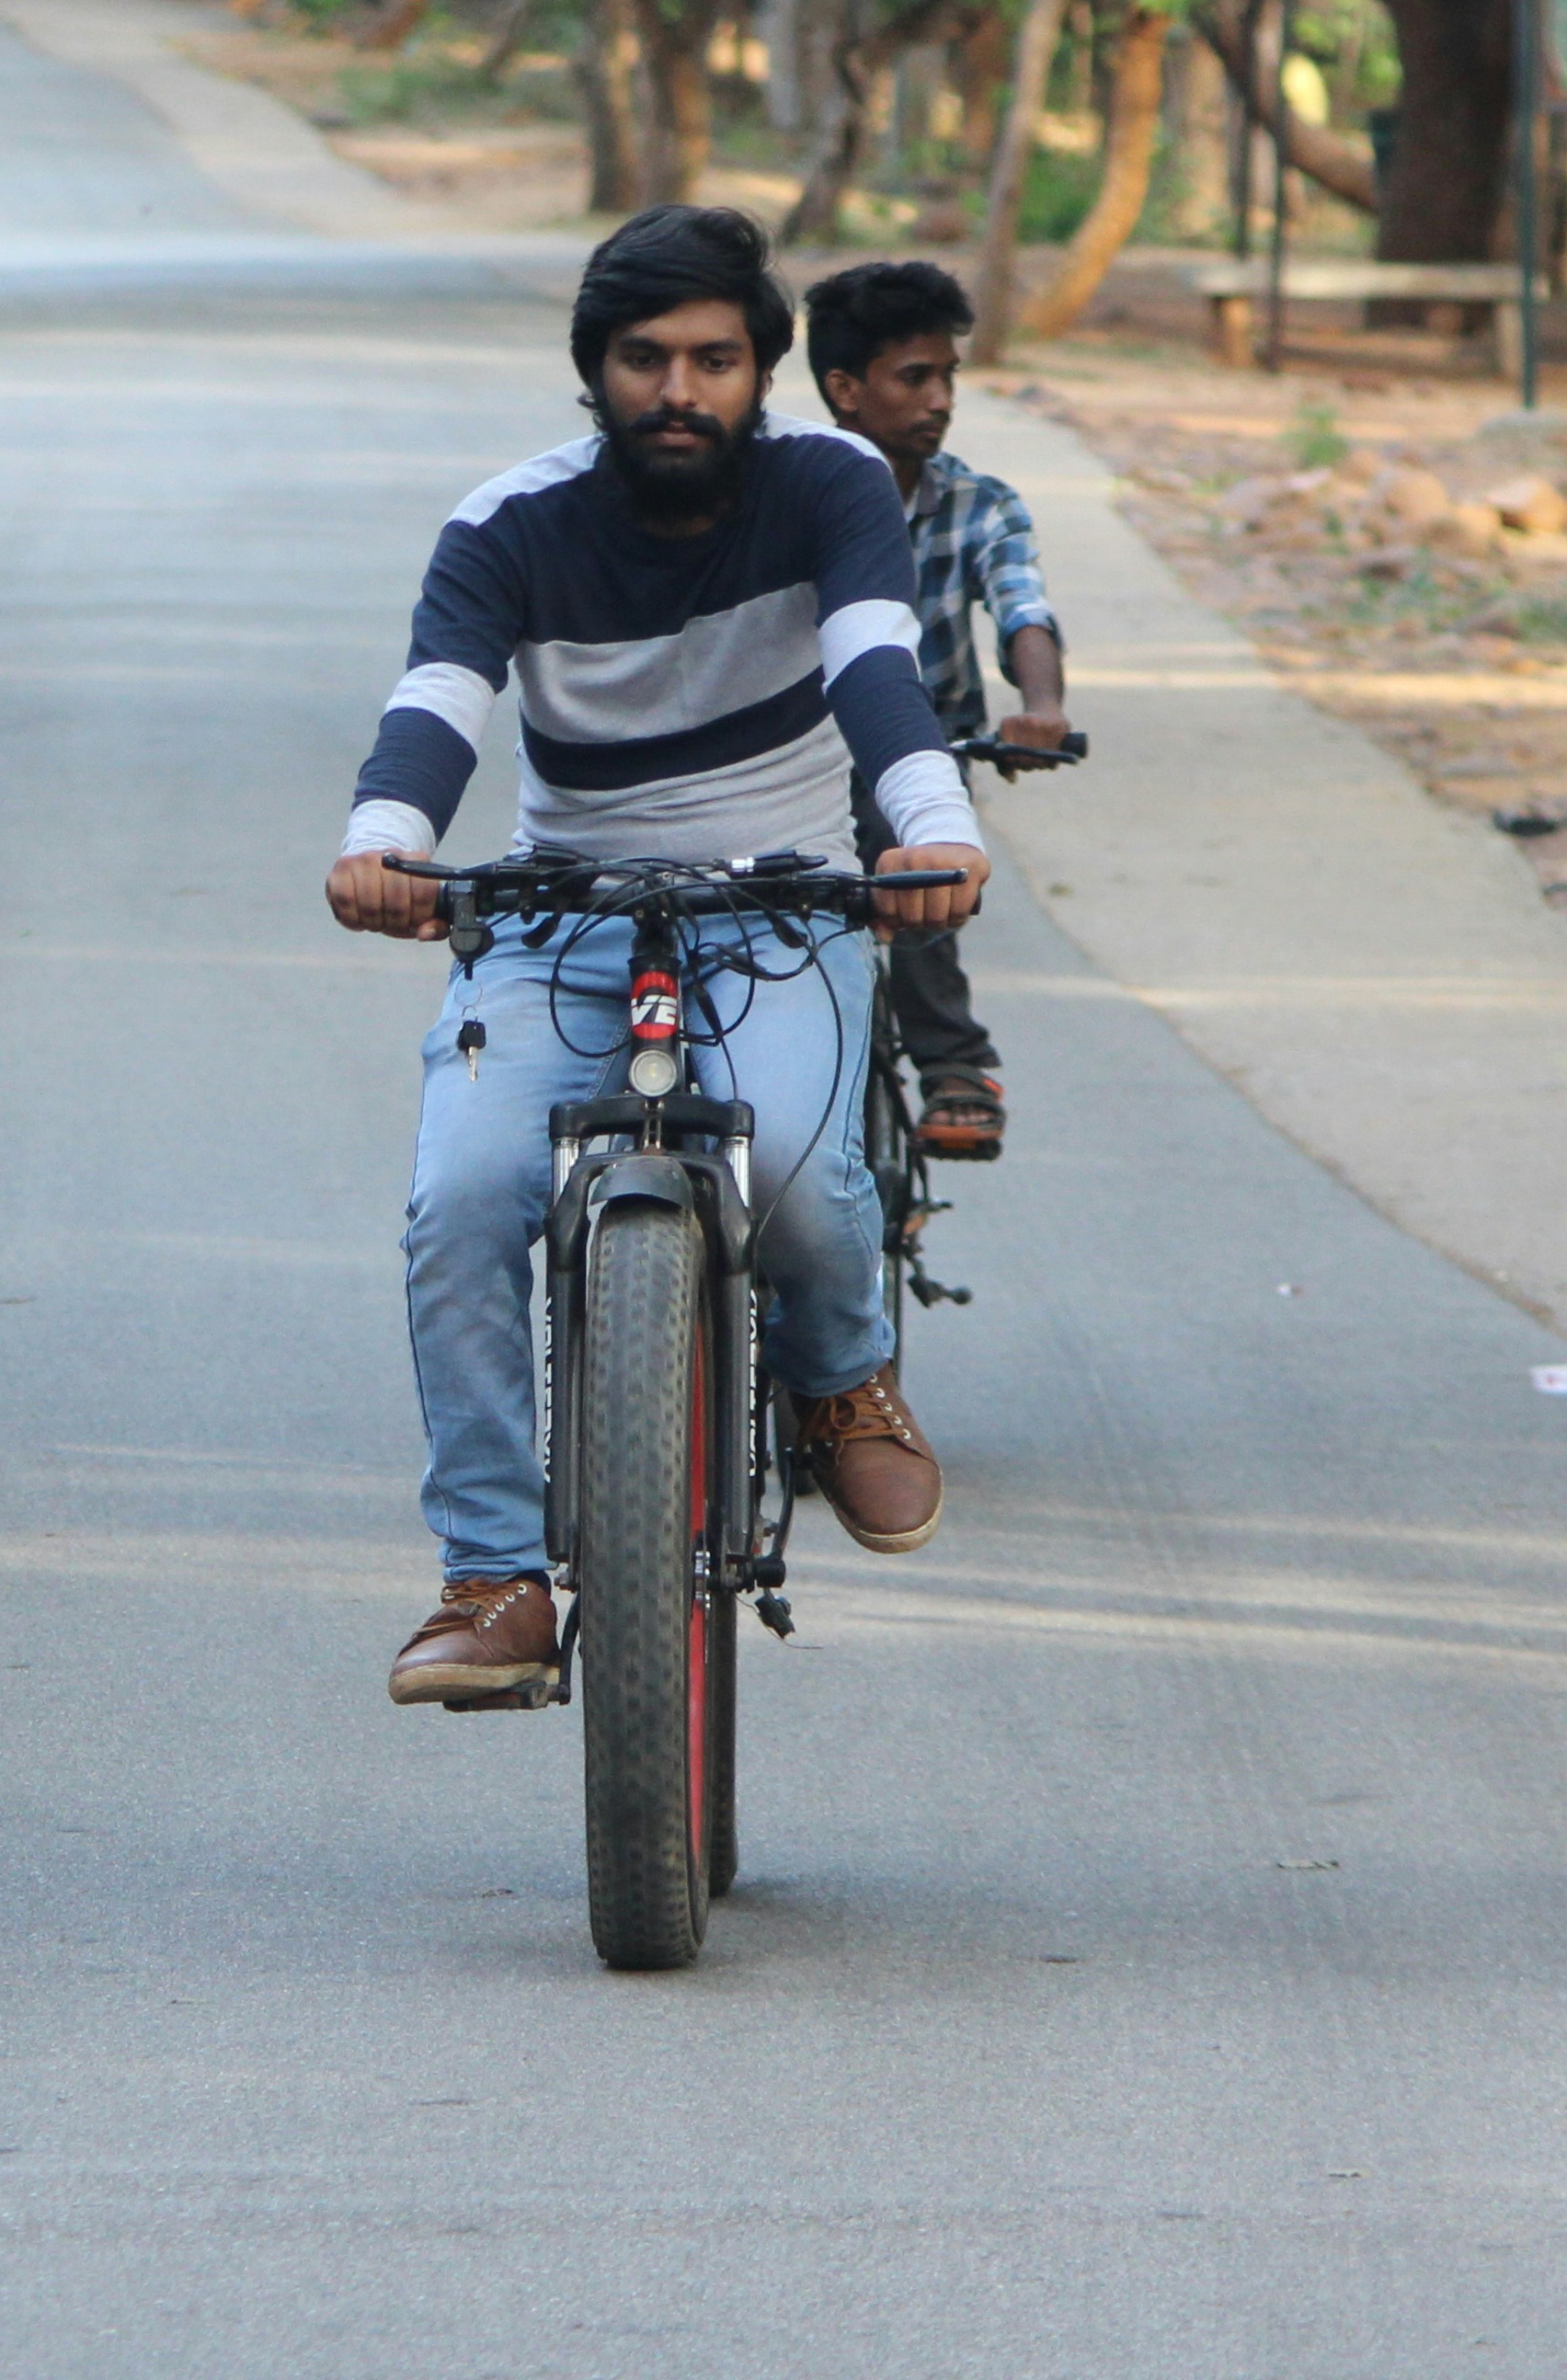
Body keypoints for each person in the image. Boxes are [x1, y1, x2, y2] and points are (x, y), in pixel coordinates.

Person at [327, 206, 992, 1708]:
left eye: (712, 359)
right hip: (557, 909)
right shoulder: (508, 521)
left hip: (785, 905)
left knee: (805, 1175)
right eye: (643, 360)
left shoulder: (827, 487)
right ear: (591, 370)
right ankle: (491, 1576)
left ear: (764, 371)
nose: (677, 390)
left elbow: (876, 669)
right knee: (461, 1200)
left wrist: (927, 832)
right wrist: (381, 839)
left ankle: (839, 1384)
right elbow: (437, 700)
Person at [802, 259, 1069, 1160]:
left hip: (922, 754)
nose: (941, 397)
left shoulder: (979, 504)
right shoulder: (788, 495)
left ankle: (954, 1063)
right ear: (845, 390)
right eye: (914, 376)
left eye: (948, 375)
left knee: (911, 858)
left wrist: (1041, 709)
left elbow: (1023, 606)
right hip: (795, 760)